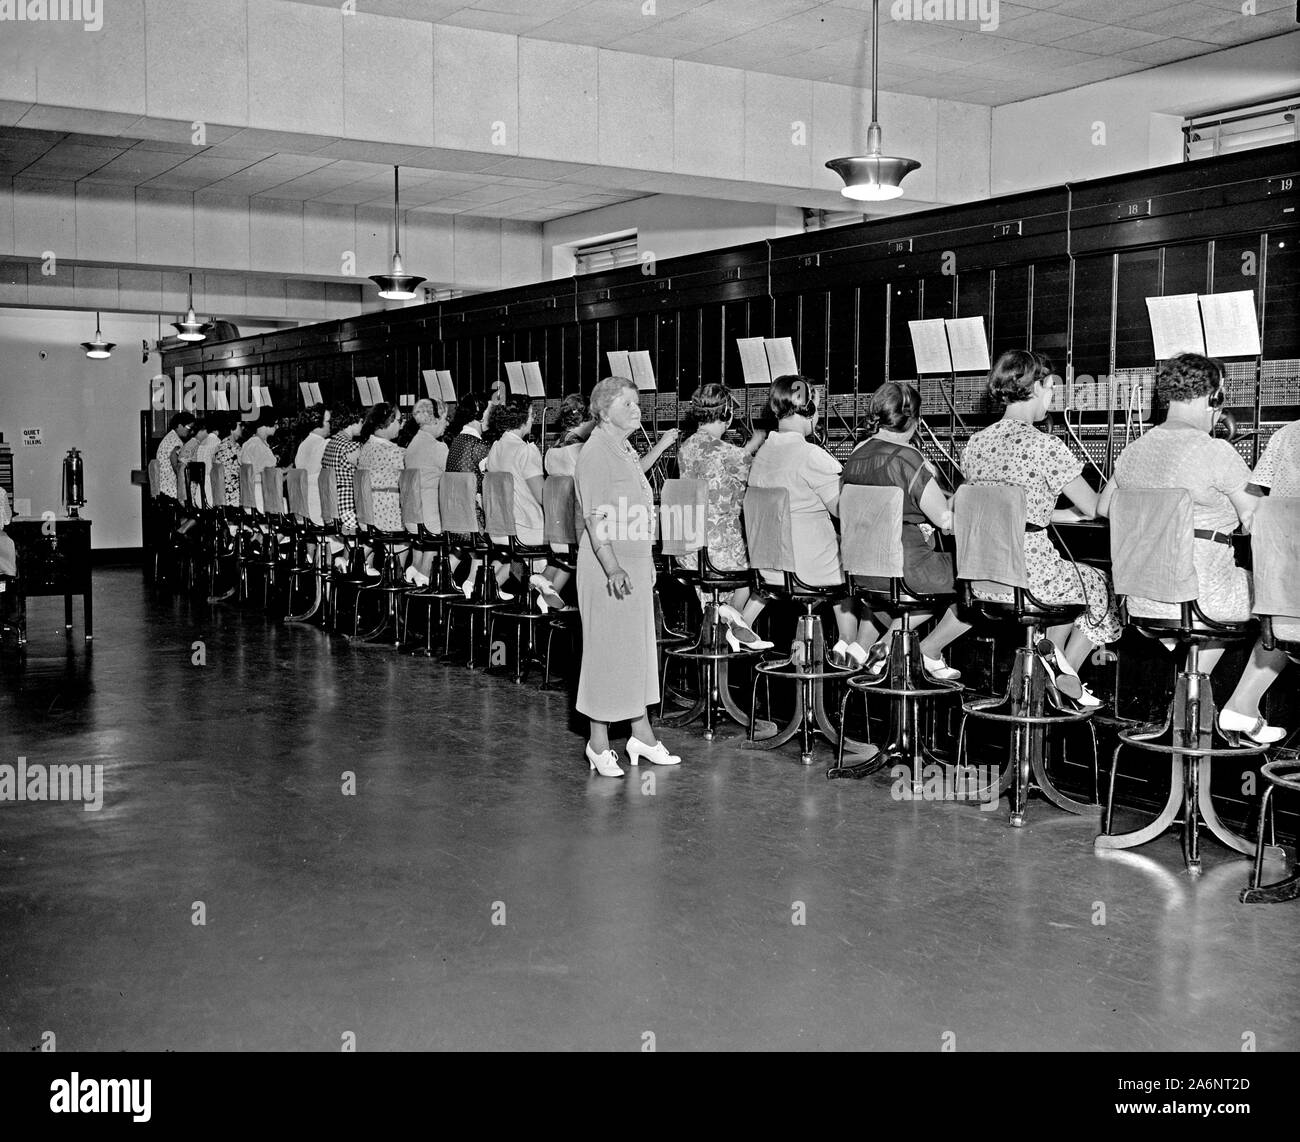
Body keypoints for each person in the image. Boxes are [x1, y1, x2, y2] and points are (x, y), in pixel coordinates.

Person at [1100, 353, 1287, 743]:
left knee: (1221, 592)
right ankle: (1240, 707)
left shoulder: (1134, 449)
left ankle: (1191, 706)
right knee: (1285, 603)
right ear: (1212, 397)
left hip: (1144, 600)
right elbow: (1259, 519)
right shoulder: (1214, 451)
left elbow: (1104, 507)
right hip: (1200, 598)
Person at [962, 350, 1121, 706]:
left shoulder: (975, 444)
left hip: (984, 580)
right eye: (1051, 387)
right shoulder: (1046, 446)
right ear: (1035, 387)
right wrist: (1120, 470)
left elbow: (1003, 506)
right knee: (1099, 584)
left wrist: (1060, 515)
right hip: (1030, 579)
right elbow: (1095, 506)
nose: (1052, 396)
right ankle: (1066, 678)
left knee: (1072, 579)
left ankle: (1054, 668)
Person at [574, 377, 681, 778]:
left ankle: (642, 736)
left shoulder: (621, 449)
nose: (637, 411)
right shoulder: (595, 453)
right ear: (604, 412)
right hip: (607, 566)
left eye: (637, 404)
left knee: (635, 651)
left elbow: (633, 493)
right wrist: (614, 566)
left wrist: (642, 560)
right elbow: (595, 518)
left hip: (631, 561)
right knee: (605, 652)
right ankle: (597, 744)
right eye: (628, 404)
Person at [747, 374, 879, 669]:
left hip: (771, 569)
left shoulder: (763, 453)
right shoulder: (810, 455)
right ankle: (853, 647)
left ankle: (844, 644)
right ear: (807, 409)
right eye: (817, 406)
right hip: (807, 570)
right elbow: (845, 512)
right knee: (868, 562)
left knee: (841, 552)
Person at [841, 381, 971, 680]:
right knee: (978, 577)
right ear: (915, 420)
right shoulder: (907, 458)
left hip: (862, 573)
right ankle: (928, 651)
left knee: (919, 593)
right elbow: (945, 521)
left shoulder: (856, 455)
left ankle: (885, 645)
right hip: (905, 568)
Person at [676, 383, 771, 651]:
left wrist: (750, 445)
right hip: (719, 552)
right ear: (728, 412)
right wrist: (759, 439)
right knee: (769, 569)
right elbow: (752, 480)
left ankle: (727, 619)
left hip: (689, 549)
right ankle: (733, 618)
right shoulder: (728, 453)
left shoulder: (686, 447)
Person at [485, 395, 569, 610]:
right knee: (573, 544)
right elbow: (543, 497)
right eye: (532, 415)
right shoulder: (525, 450)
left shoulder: (496, 447)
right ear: (523, 419)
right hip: (526, 530)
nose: (532, 420)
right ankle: (548, 594)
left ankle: (543, 584)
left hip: (500, 530)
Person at [445, 393, 505, 600]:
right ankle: (474, 582)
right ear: (479, 415)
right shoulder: (479, 447)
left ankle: (448, 578)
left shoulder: (455, 443)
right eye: (490, 411)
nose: (492, 417)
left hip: (455, 524)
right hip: (474, 525)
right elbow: (493, 483)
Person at [401, 398, 450, 584]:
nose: (446, 424)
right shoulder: (438, 447)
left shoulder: (412, 446)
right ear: (435, 419)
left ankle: (416, 570)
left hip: (413, 519)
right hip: (431, 521)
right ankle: (425, 575)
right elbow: (456, 478)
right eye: (445, 418)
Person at [355, 403, 405, 532]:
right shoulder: (394, 452)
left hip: (366, 513)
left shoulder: (366, 447)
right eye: (399, 421)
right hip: (387, 516)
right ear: (388, 421)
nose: (402, 425)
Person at [321, 406, 364, 533]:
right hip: (347, 509)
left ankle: (352, 552)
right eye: (361, 422)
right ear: (353, 421)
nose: (363, 426)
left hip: (330, 508)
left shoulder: (330, 444)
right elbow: (367, 474)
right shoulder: (351, 446)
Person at [293, 404, 331, 525]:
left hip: (301, 505)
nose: (331, 425)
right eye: (328, 421)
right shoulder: (325, 444)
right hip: (318, 505)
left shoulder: (303, 445)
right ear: (318, 423)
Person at [238, 408, 280, 512]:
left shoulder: (249, 443)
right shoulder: (258, 446)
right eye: (275, 423)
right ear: (266, 424)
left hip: (250, 497)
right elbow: (271, 477)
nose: (277, 426)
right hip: (261, 498)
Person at [155, 412, 194, 501]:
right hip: (170, 487)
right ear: (179, 426)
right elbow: (178, 470)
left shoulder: (170, 437)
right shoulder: (175, 443)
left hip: (163, 486)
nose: (190, 431)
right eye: (189, 427)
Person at [211, 413, 245, 509]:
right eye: (240, 425)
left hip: (227, 496)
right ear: (232, 427)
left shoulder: (229, 445)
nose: (242, 428)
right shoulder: (228, 449)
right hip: (232, 498)